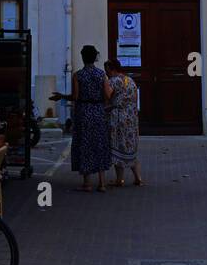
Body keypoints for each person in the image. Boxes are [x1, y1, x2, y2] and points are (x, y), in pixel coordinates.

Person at [50, 45, 113, 191]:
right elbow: (108, 95)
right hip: (98, 111)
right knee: (100, 144)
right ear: (95, 57)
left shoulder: (78, 75)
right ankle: (102, 183)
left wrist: (61, 96)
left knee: (85, 144)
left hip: (84, 112)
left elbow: (75, 97)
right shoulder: (101, 74)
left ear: (83, 57)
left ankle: (87, 183)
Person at [105, 59, 142, 186]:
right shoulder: (130, 80)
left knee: (118, 149)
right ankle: (138, 178)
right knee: (131, 149)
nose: (106, 73)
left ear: (111, 69)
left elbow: (107, 96)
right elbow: (135, 99)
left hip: (118, 119)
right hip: (131, 119)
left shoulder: (113, 81)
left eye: (107, 70)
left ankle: (119, 179)